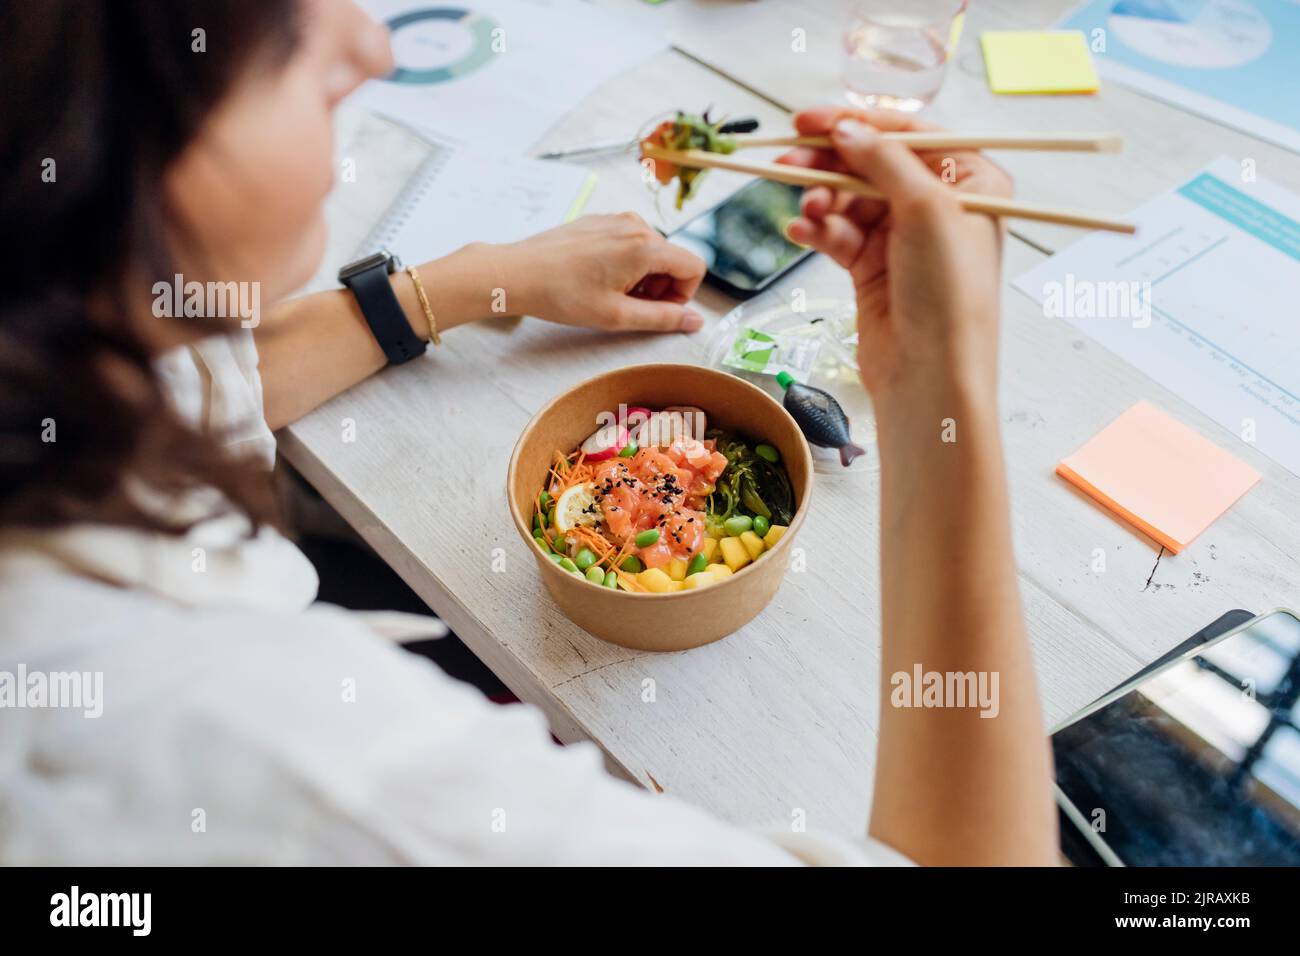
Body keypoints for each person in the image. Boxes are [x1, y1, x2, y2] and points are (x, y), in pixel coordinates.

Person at [0, 0, 1056, 865]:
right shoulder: (302, 763)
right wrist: (937, 380)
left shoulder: (51, 353)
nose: (371, 45)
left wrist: (457, 285)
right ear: (76, 137)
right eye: (279, 34)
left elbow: (198, 385)